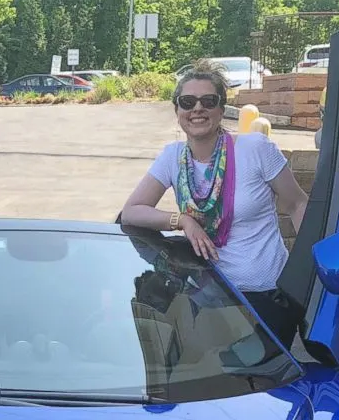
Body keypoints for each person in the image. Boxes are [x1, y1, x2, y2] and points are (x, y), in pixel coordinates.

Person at [120, 61, 310, 347]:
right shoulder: (172, 157)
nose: (198, 108)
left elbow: (297, 204)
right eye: (187, 101)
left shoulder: (256, 149)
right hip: (211, 296)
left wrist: (309, 274)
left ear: (221, 109)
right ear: (177, 110)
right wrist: (183, 220)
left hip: (268, 298)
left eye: (208, 101)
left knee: (262, 385)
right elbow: (131, 213)